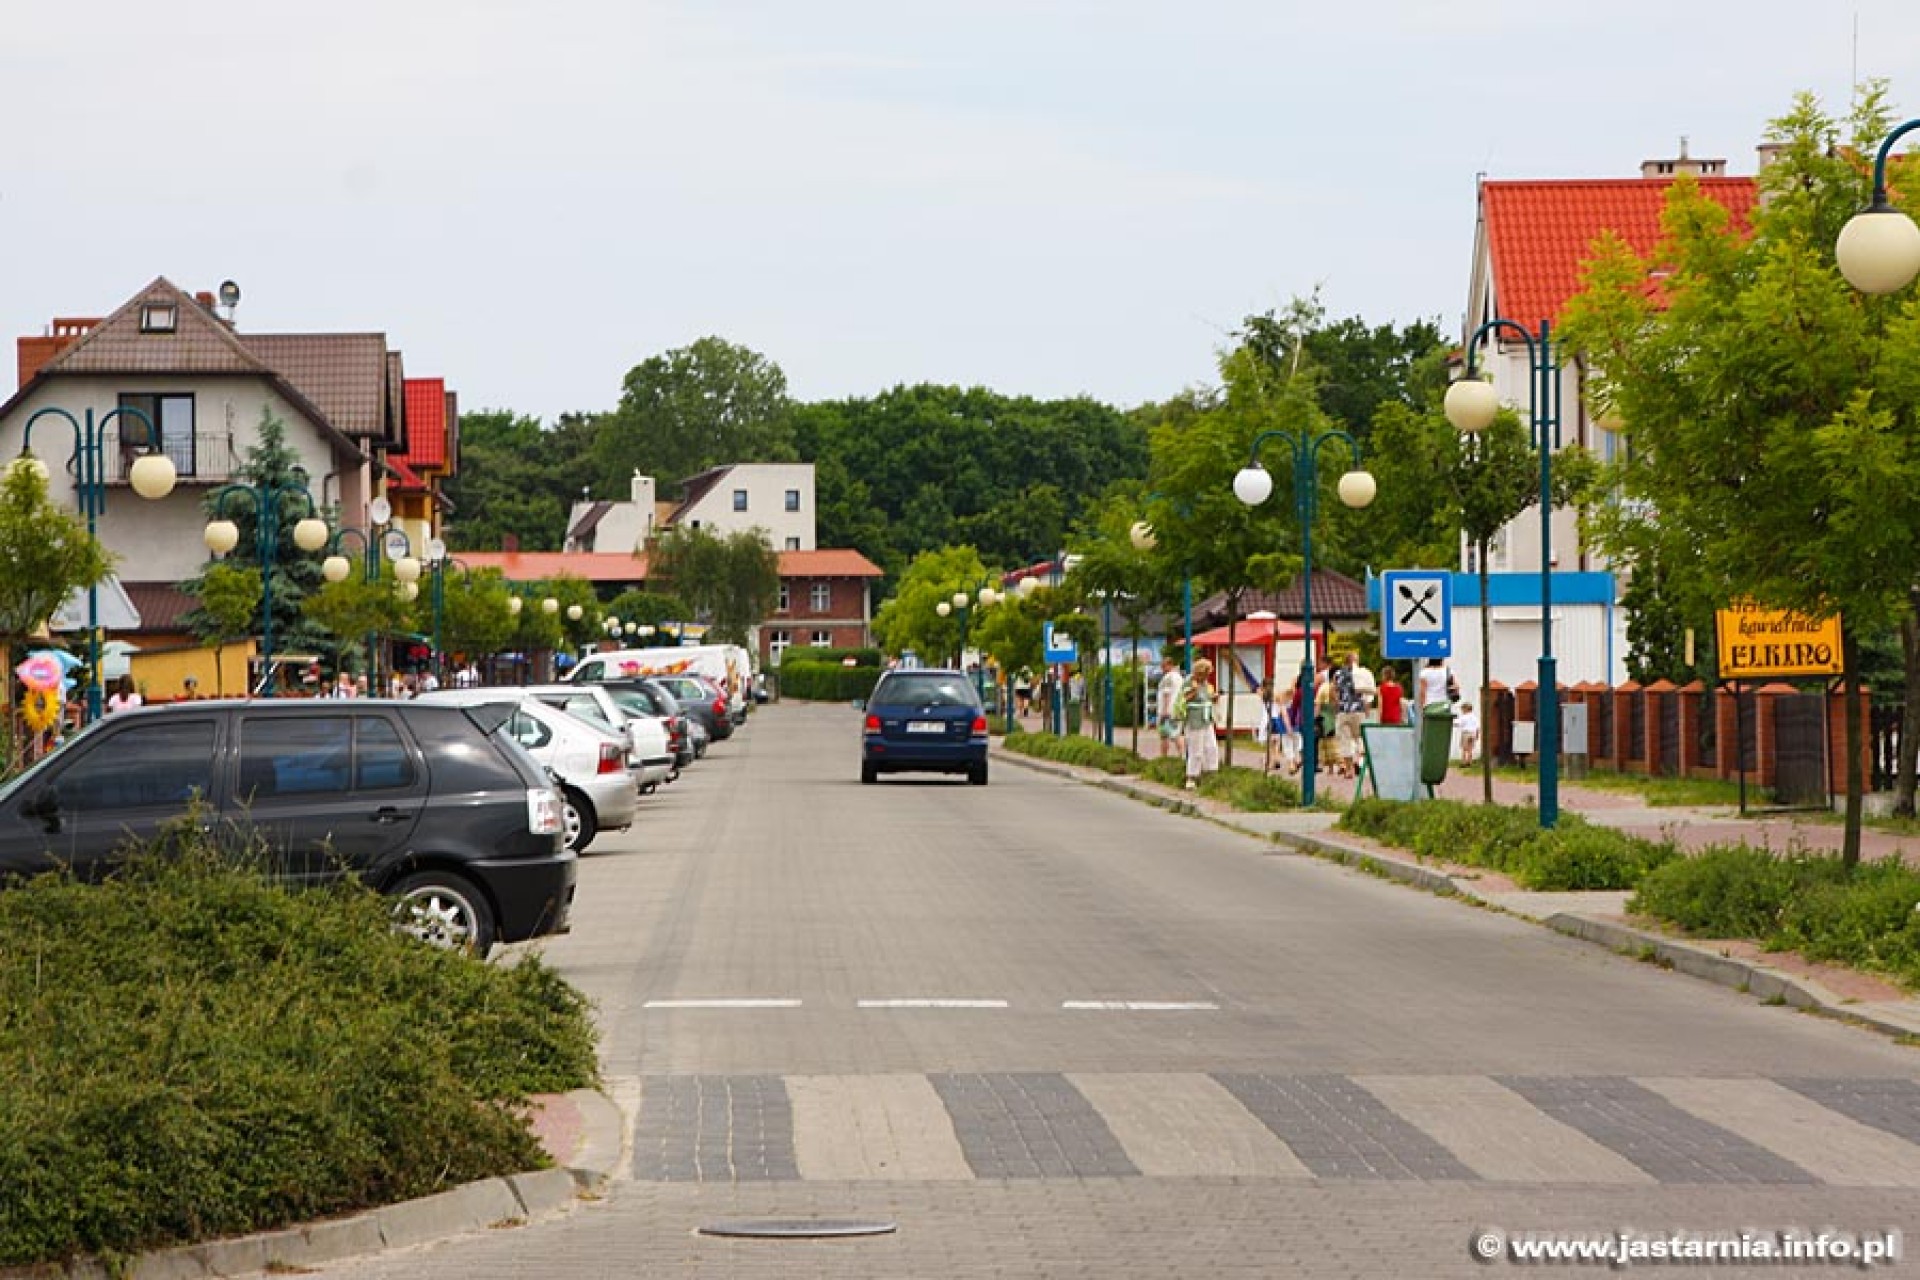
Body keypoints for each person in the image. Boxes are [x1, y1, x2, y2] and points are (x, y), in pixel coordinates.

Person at [1175, 657, 1219, 790]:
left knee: (1212, 747)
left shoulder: (1205, 683)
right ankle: (1191, 777)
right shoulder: (1189, 681)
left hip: (1206, 719)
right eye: (1206, 673)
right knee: (1196, 751)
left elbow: (1206, 698)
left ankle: (1212, 773)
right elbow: (1184, 699)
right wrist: (1193, 691)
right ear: (1200, 672)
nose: (1207, 676)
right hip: (1194, 720)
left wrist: (1213, 698)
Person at [1330, 651, 1371, 779]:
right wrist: (1367, 710)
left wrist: (1337, 705)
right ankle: (1357, 761)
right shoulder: (1361, 674)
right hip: (1358, 710)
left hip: (1343, 711)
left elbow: (1333, 691)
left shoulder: (1338, 674)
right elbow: (1366, 694)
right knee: (1361, 738)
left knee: (1345, 740)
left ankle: (1349, 770)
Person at [1154, 656, 1185, 759]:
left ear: (1170, 665)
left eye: (1164, 666)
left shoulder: (1167, 678)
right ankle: (1182, 755)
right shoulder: (1179, 677)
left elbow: (1166, 694)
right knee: (1176, 733)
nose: (1162, 669)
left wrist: (1164, 711)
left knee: (1165, 735)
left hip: (1167, 711)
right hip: (1176, 710)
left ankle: (1164, 757)